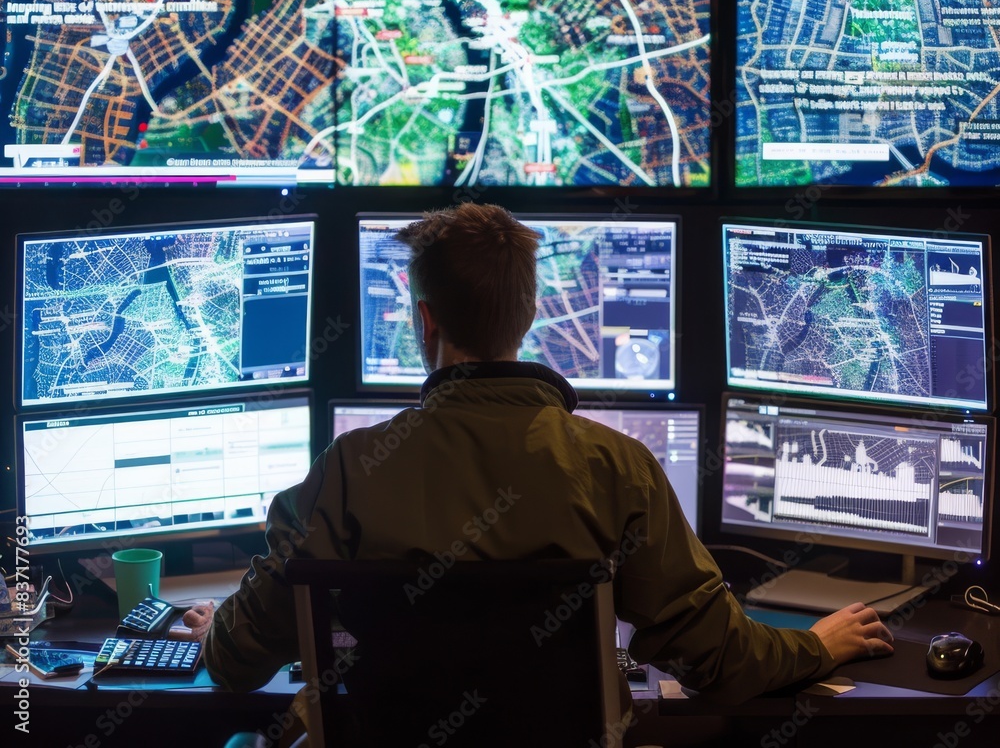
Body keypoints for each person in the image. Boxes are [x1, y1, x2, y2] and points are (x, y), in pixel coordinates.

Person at [184, 203, 891, 706]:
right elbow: (722, 660)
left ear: (425, 321)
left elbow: (238, 667)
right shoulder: (616, 467)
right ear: (529, 317)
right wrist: (816, 646)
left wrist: (223, 631)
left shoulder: (347, 470)